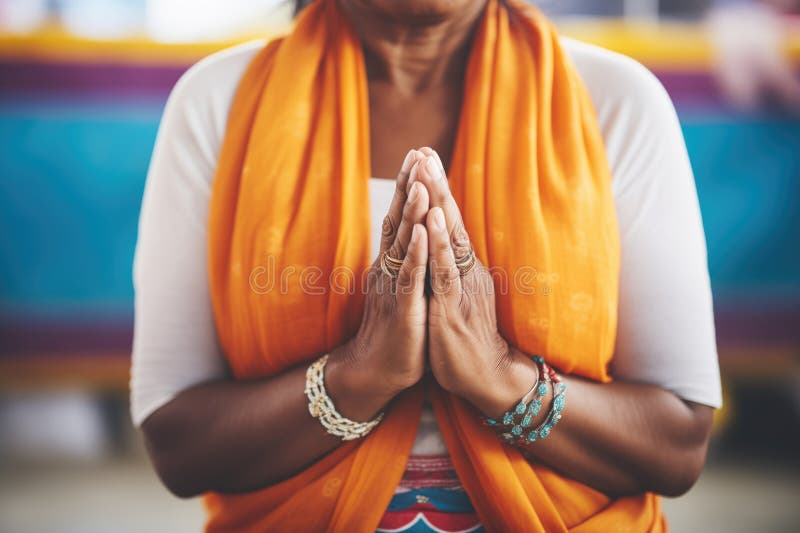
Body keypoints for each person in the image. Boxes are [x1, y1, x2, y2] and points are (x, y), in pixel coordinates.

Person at [131, 0, 722, 530]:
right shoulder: (220, 102)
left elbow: (675, 446)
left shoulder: (614, 100)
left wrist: (498, 376)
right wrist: (358, 375)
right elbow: (178, 447)